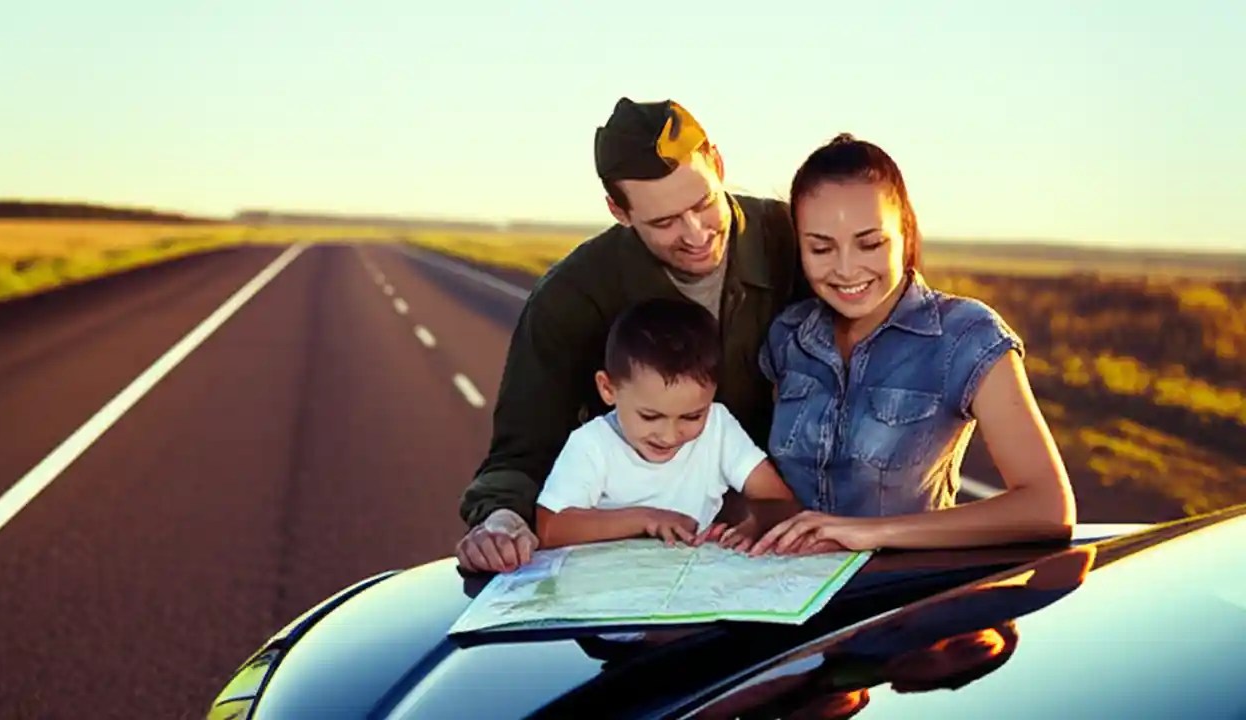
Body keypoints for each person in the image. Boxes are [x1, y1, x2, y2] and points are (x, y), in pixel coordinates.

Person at [454, 97, 808, 573]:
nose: (696, 233)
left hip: (782, 539)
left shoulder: (798, 240)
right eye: (663, 222)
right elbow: (522, 449)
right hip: (635, 567)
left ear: (718, 164)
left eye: (703, 202)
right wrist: (501, 519)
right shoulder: (573, 295)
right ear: (619, 212)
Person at [748, 133, 1077, 556]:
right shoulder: (787, 335)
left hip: (904, 602)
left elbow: (1048, 506)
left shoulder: (967, 335)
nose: (846, 269)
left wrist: (872, 533)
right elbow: (761, 479)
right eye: (821, 248)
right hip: (786, 597)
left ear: (904, 231)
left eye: (870, 243)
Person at [534, 298, 800, 551]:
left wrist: (755, 523)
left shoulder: (718, 427)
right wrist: (646, 519)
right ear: (608, 389)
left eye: (692, 416)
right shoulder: (593, 443)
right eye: (650, 417)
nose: (669, 436)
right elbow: (550, 528)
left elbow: (778, 498)